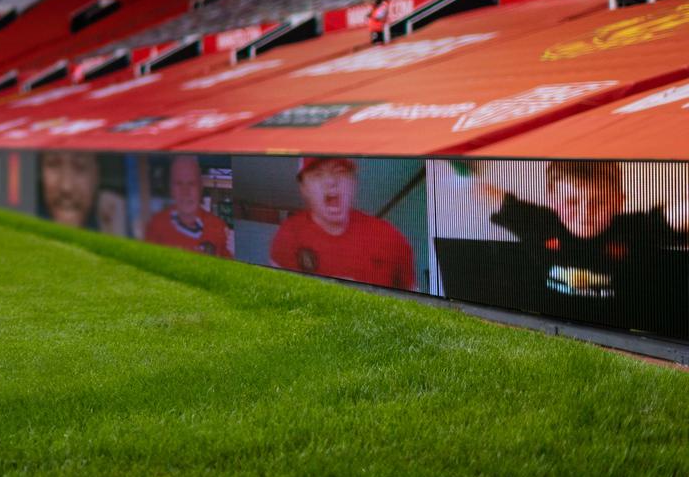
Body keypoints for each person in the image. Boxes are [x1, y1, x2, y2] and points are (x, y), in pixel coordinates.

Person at [467, 160, 689, 314]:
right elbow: (489, 195)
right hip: (551, 330)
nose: (585, 213)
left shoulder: (632, 229)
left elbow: (673, 217)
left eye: (600, 202)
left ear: (618, 201)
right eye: (571, 202)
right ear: (552, 201)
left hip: (620, 339)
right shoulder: (540, 223)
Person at [269, 157, 415, 289]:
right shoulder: (288, 236)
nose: (331, 182)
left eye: (339, 171)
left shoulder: (391, 238)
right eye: (317, 174)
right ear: (304, 188)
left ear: (353, 182)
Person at [142, 156, 232, 258]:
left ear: (200, 187)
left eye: (191, 183)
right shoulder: (157, 225)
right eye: (179, 184)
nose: (186, 192)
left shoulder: (218, 227)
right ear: (171, 188)